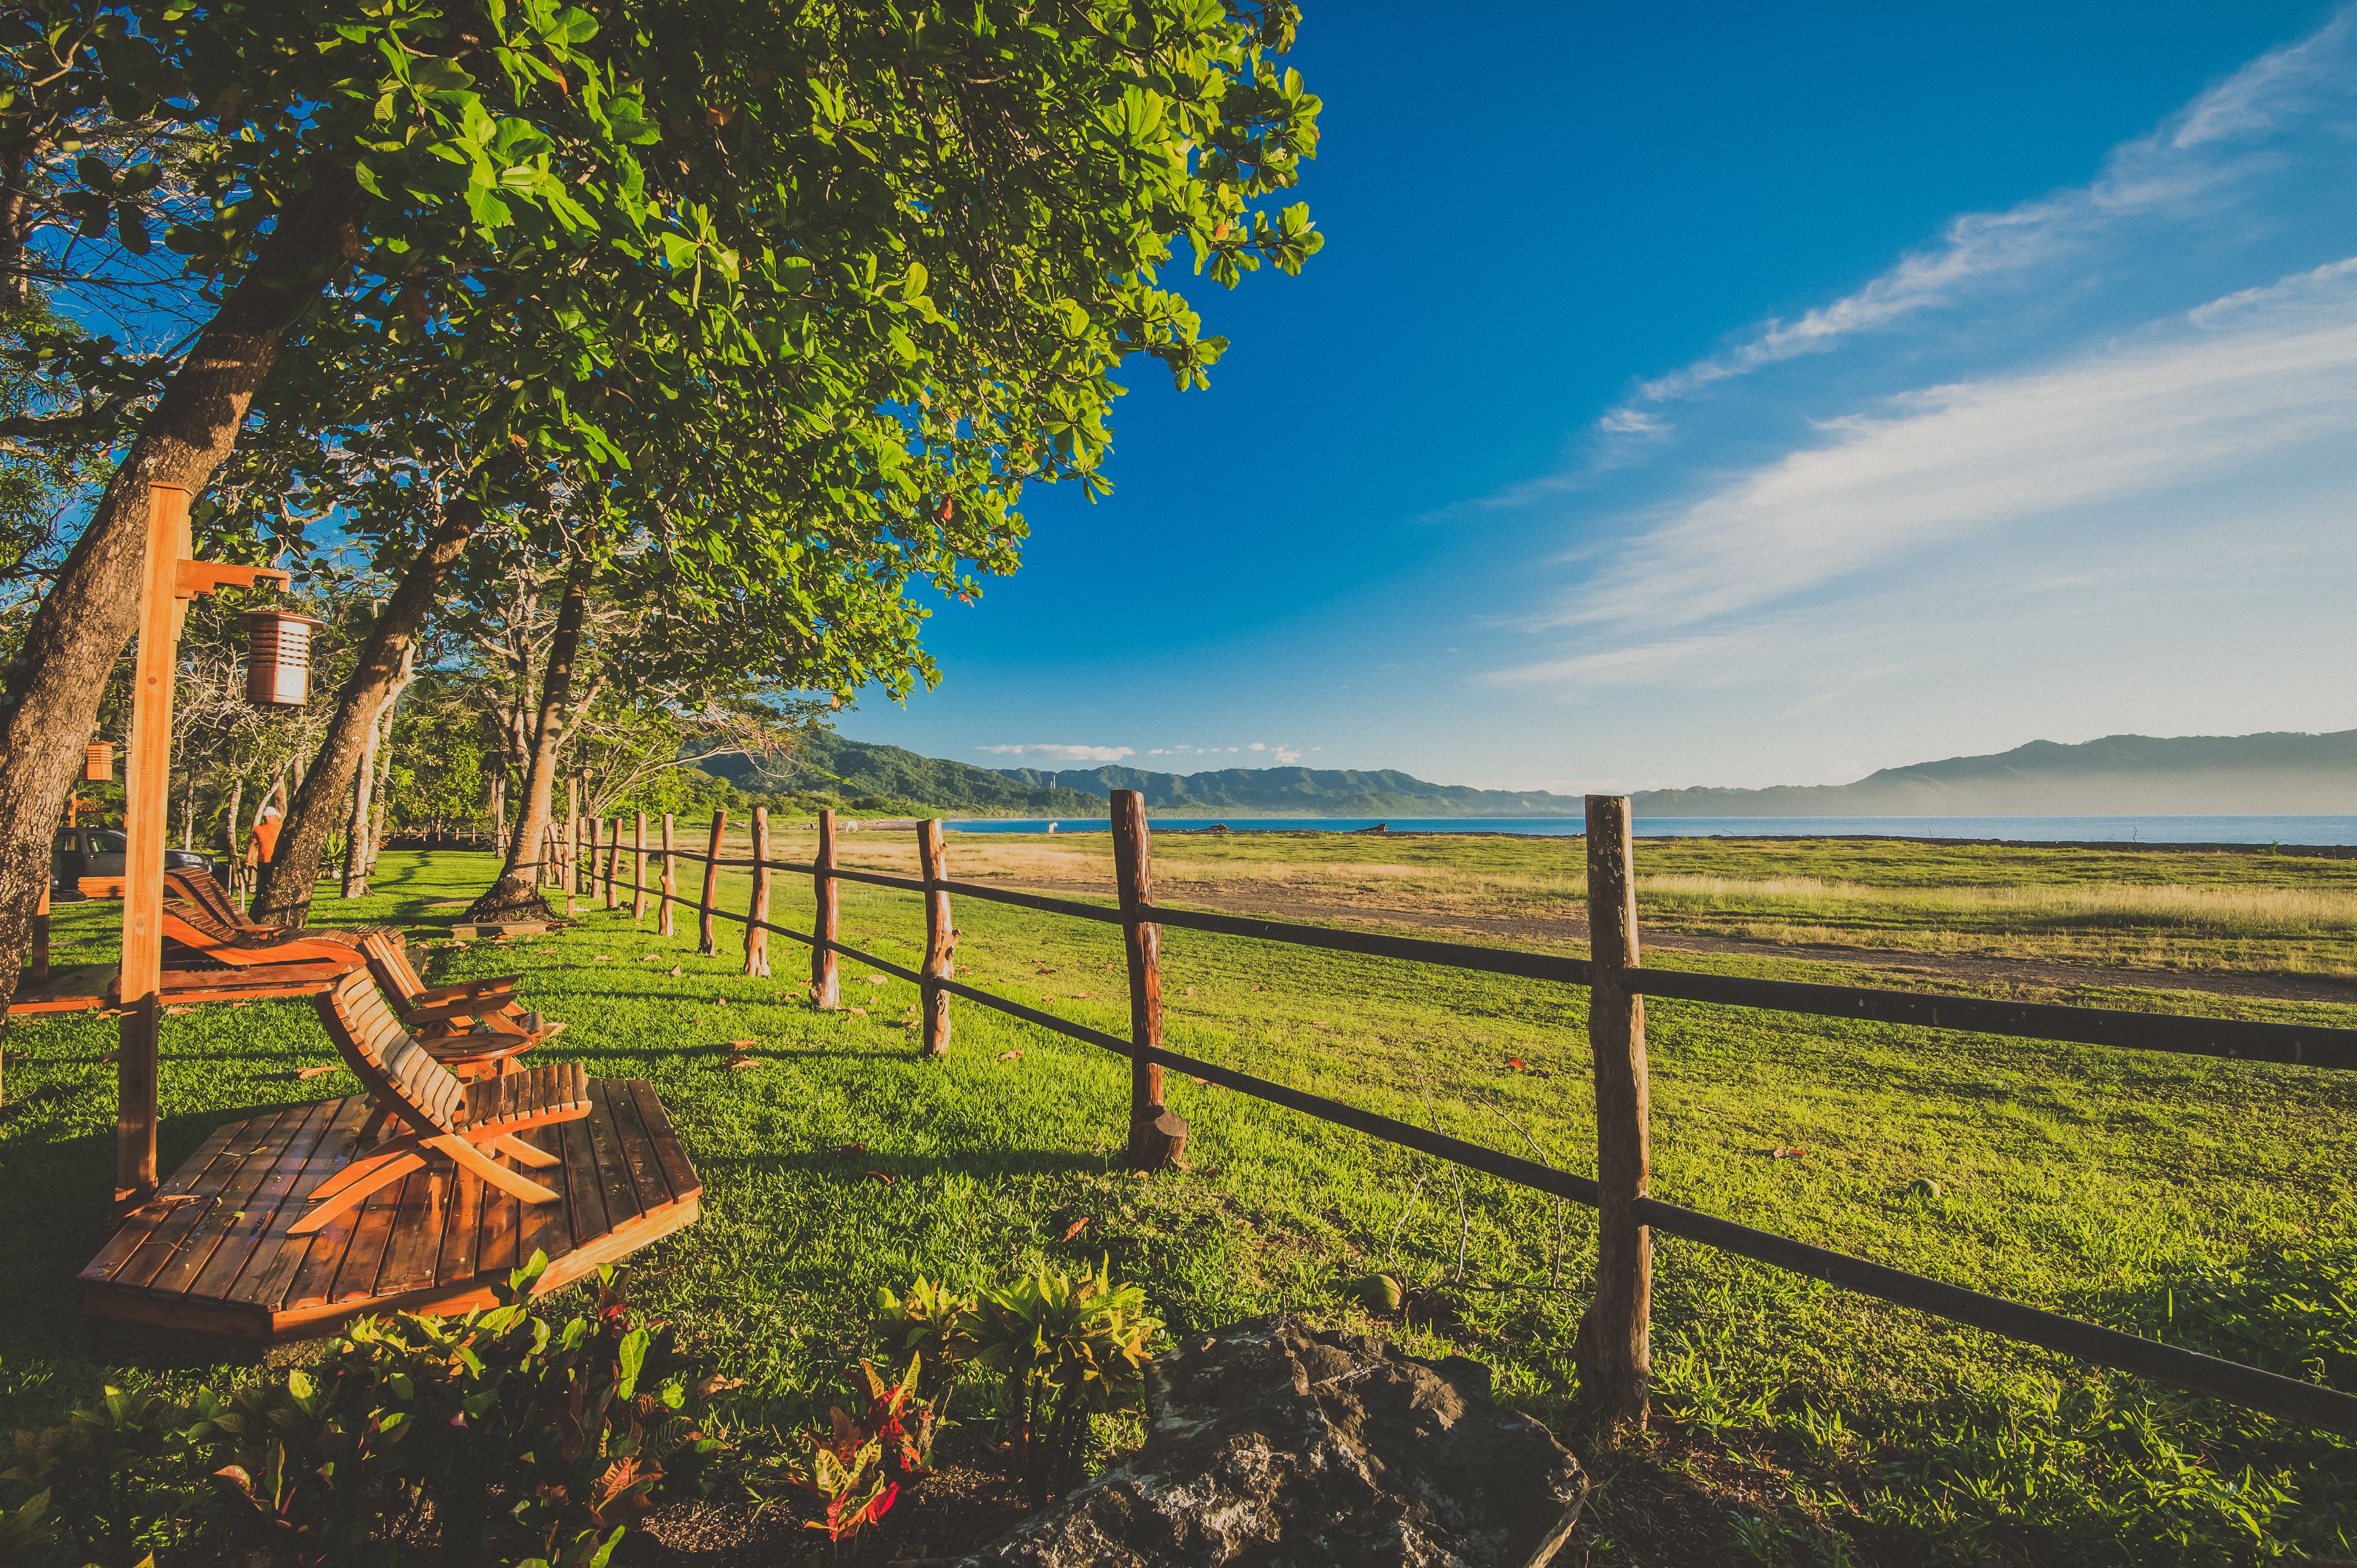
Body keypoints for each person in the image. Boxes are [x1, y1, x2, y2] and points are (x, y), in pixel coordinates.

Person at [246, 803, 284, 871]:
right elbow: (253, 844)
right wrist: (249, 858)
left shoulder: (282, 827)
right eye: (265, 817)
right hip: (263, 862)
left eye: (269, 816)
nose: (267, 818)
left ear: (276, 817)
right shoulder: (258, 829)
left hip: (278, 861)